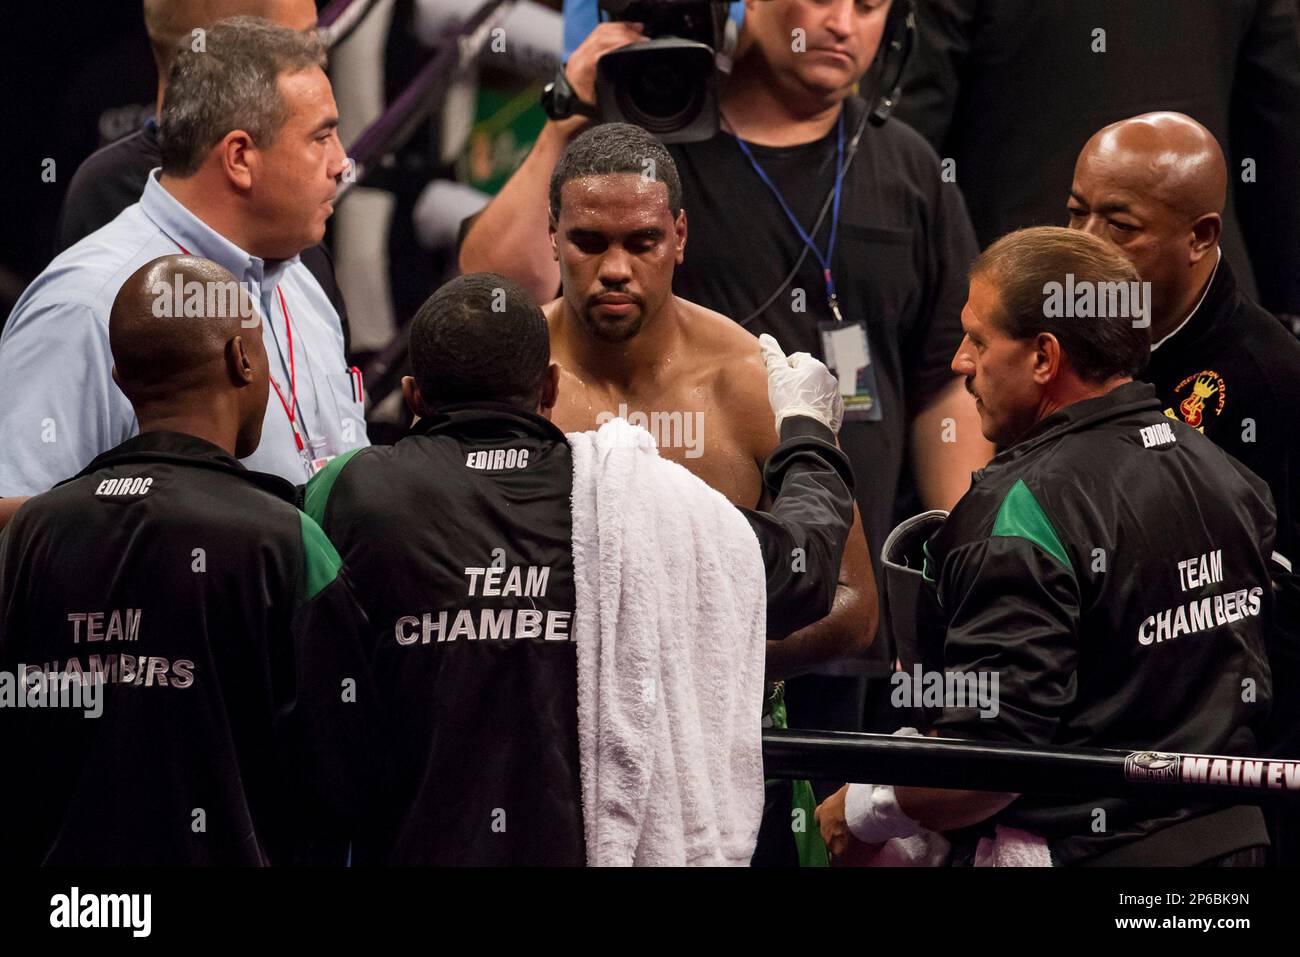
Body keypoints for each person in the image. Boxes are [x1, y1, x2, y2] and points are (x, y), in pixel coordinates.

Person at [462, 0, 989, 740]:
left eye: (870, 6)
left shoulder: (908, 165)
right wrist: (565, 118)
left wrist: (958, 576)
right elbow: (491, 308)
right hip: (659, 608)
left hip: (845, 608)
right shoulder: (654, 147)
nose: (842, 23)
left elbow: (944, 386)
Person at [301, 272, 856, 864]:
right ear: (549, 387)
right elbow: (808, 566)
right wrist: (807, 430)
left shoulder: (344, 493)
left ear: (413, 395)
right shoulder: (637, 499)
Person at [816, 227, 1279, 866]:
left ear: (1043, 357)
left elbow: (991, 759)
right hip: (1231, 858)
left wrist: (865, 807)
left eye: (978, 338)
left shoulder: (1018, 513)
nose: (960, 361)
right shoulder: (1226, 475)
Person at [0, 255, 377, 865]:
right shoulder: (285, 540)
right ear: (242, 359)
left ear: (120, 375)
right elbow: (342, 771)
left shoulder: (30, 535)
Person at [544, 122, 876, 679]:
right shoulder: (511, 376)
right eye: (589, 242)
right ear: (552, 235)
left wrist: (703, 678)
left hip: (722, 744)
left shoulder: (748, 381)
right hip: (547, 738)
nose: (616, 269)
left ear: (679, 235)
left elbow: (855, 603)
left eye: (642, 242)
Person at [0, 16, 365, 494]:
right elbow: (13, 520)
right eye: (321, 138)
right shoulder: (84, 305)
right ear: (239, 158)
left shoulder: (304, 276)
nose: (343, 163)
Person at [1067, 111, 1300, 859]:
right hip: (1089, 748)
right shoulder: (1067, 327)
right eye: (1075, 213)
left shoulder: (1267, 380)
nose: (1085, 247)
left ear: (1201, 236)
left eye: (1120, 225)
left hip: (1223, 786)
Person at [895, 0, 1300, 323]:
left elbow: (910, 140)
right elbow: (1278, 133)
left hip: (1026, 300)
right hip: (1197, 295)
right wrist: (1279, 308)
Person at [53, 1, 350, 348]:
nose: (318, 55)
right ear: (229, 50)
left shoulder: (298, 249)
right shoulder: (88, 279)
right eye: (302, 41)